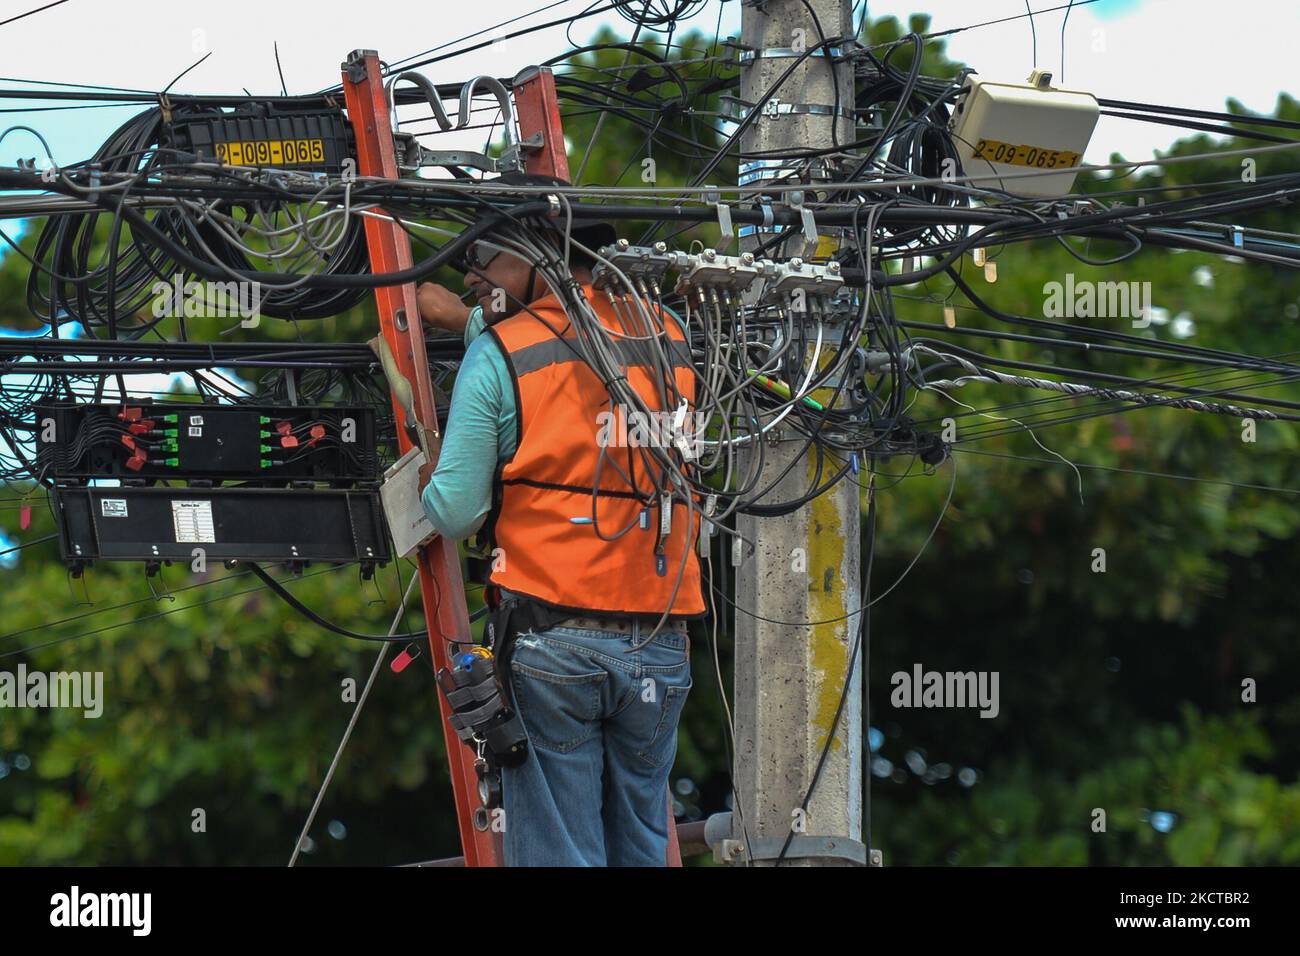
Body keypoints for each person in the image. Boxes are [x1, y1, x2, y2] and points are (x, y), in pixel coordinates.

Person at [416, 173, 705, 866]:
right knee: (642, 843)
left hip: (555, 636)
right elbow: (576, 347)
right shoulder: (669, 337)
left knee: (560, 854)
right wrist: (474, 320)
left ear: (538, 251)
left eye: (487, 257)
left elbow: (453, 511)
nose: (474, 276)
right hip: (662, 641)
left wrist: (414, 472)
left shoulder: (502, 353)